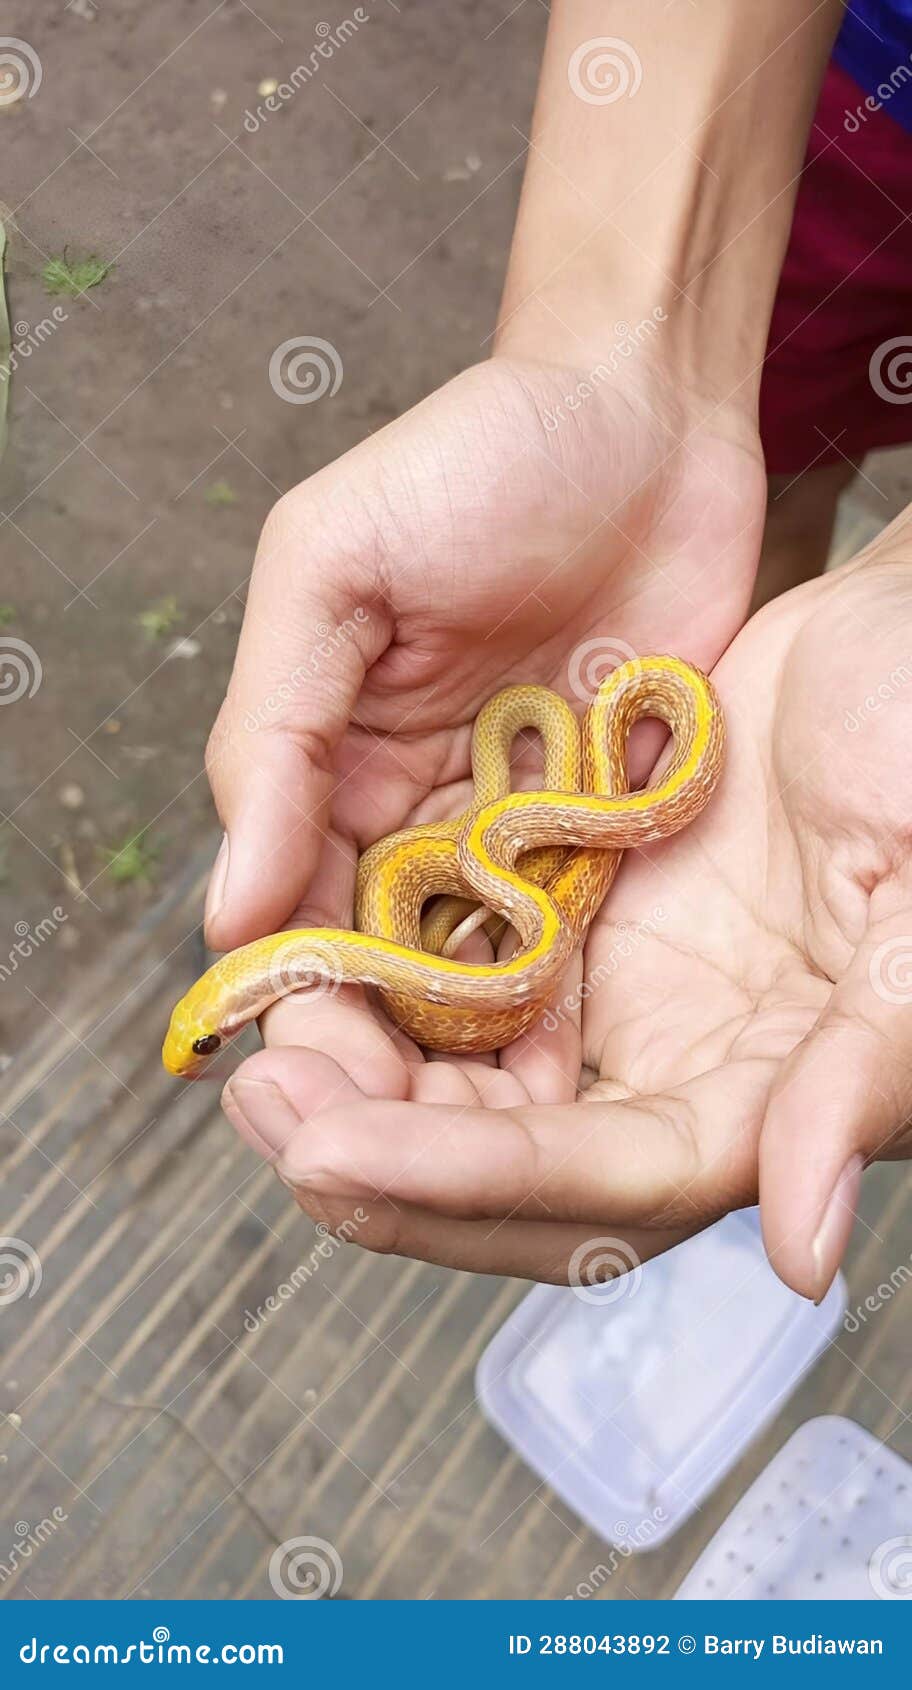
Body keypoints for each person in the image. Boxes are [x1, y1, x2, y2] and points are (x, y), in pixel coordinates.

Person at [205, 1, 912, 1301]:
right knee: (756, 455)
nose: (216, 1048)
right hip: (855, 93)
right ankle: (744, 630)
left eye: (216, 1037)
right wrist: (620, 354)